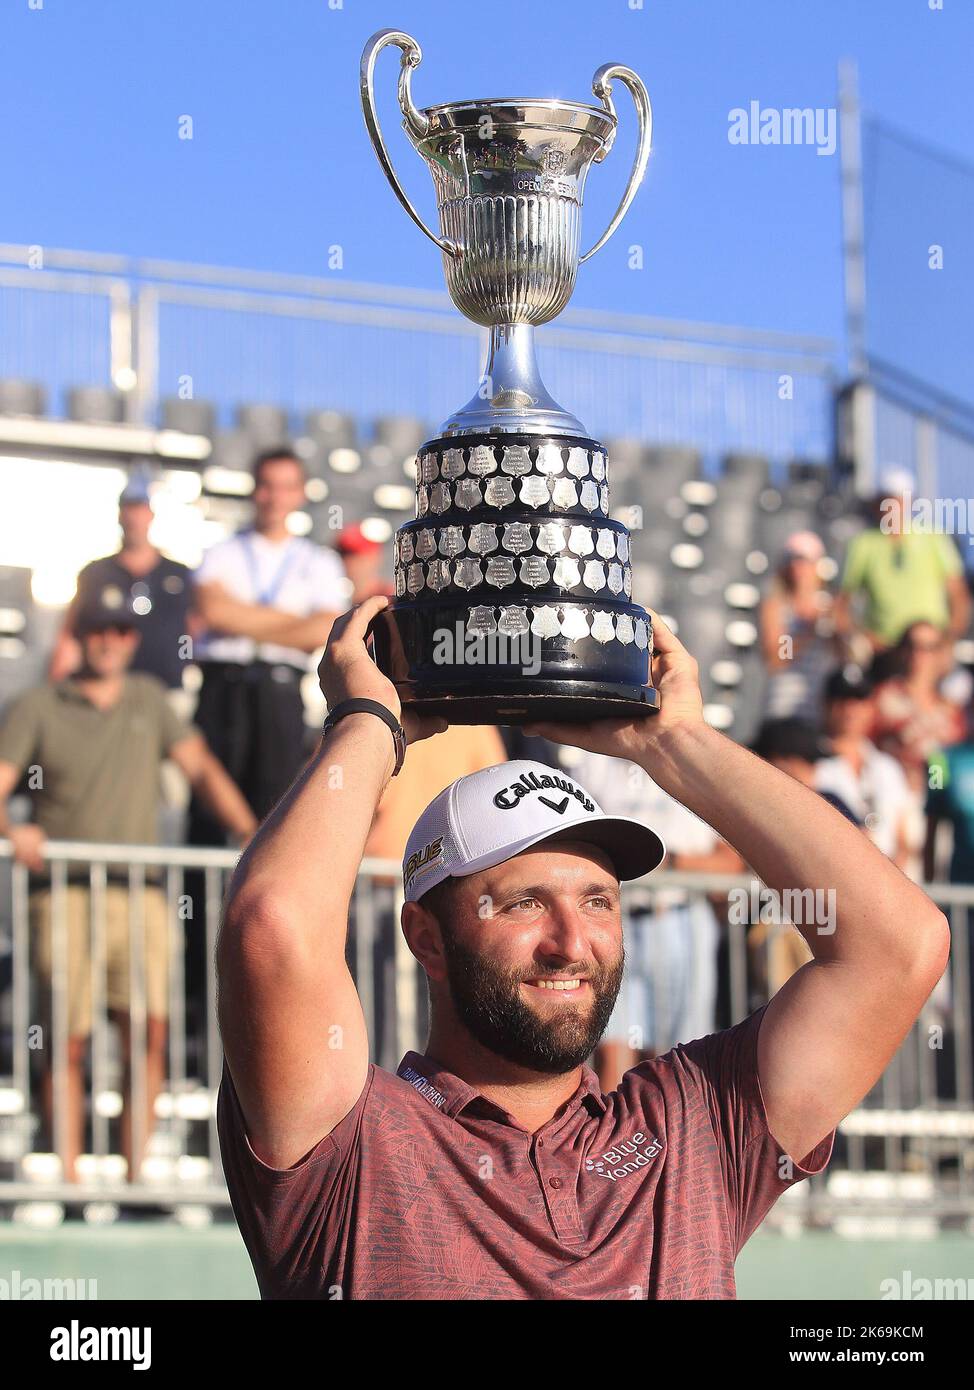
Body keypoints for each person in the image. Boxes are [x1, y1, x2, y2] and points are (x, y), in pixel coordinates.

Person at [215, 595, 947, 1300]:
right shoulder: (350, 1141)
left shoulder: (692, 1127)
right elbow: (272, 928)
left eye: (598, 901)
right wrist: (368, 723)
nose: (572, 944)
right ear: (425, 940)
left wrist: (674, 745)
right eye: (525, 903)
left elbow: (898, 948)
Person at [0, 602, 257, 1184]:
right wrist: (14, 830)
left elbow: (201, 770)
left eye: (119, 630)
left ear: (132, 639)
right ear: (79, 636)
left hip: (141, 895)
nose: (108, 640)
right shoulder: (37, 706)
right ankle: (68, 1180)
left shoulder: (147, 700)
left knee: (149, 1034)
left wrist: (252, 832)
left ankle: (135, 1181)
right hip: (63, 893)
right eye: (97, 629)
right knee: (64, 1040)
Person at [562, 749, 743, 1091]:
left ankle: (668, 1143)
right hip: (615, 923)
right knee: (611, 1049)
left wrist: (666, 862)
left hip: (679, 920)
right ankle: (613, 1141)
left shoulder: (698, 767)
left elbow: (731, 860)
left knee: (676, 1057)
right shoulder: (590, 763)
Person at [48, 469, 194, 692]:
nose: (134, 518)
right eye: (128, 509)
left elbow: (191, 629)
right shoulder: (96, 573)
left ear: (151, 514)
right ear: (119, 515)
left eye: (140, 509)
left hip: (166, 687)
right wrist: (58, 681)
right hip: (108, 690)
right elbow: (71, 633)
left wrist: (186, 663)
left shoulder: (178, 574)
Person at [834, 467, 970, 652]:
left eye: (898, 501)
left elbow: (958, 596)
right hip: (881, 653)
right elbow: (842, 602)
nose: (892, 508)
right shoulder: (862, 544)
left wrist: (946, 641)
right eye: (886, 501)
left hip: (929, 648)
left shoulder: (934, 538)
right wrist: (859, 642)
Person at [814, 669, 915, 872]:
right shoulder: (811, 765)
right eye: (842, 700)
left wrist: (891, 882)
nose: (850, 710)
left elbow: (904, 840)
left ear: (871, 707)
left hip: (889, 885)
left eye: (859, 700)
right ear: (826, 705)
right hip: (832, 882)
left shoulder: (888, 768)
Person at [872, 621, 967, 795]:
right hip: (891, 793)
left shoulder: (951, 711)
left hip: (937, 798)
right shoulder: (882, 698)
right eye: (912, 646)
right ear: (902, 650)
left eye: (928, 647)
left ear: (940, 654)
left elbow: (954, 763)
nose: (918, 654)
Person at [759, 531, 839, 721]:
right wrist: (808, 631)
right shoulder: (776, 606)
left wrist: (838, 629)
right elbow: (778, 658)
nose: (799, 567)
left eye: (805, 561)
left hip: (821, 707)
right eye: (794, 560)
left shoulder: (830, 606)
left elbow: (845, 654)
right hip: (783, 707)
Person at [336, 523, 393, 604]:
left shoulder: (389, 598)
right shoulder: (330, 599)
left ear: (375, 557)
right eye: (342, 554)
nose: (347, 561)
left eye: (354, 554)